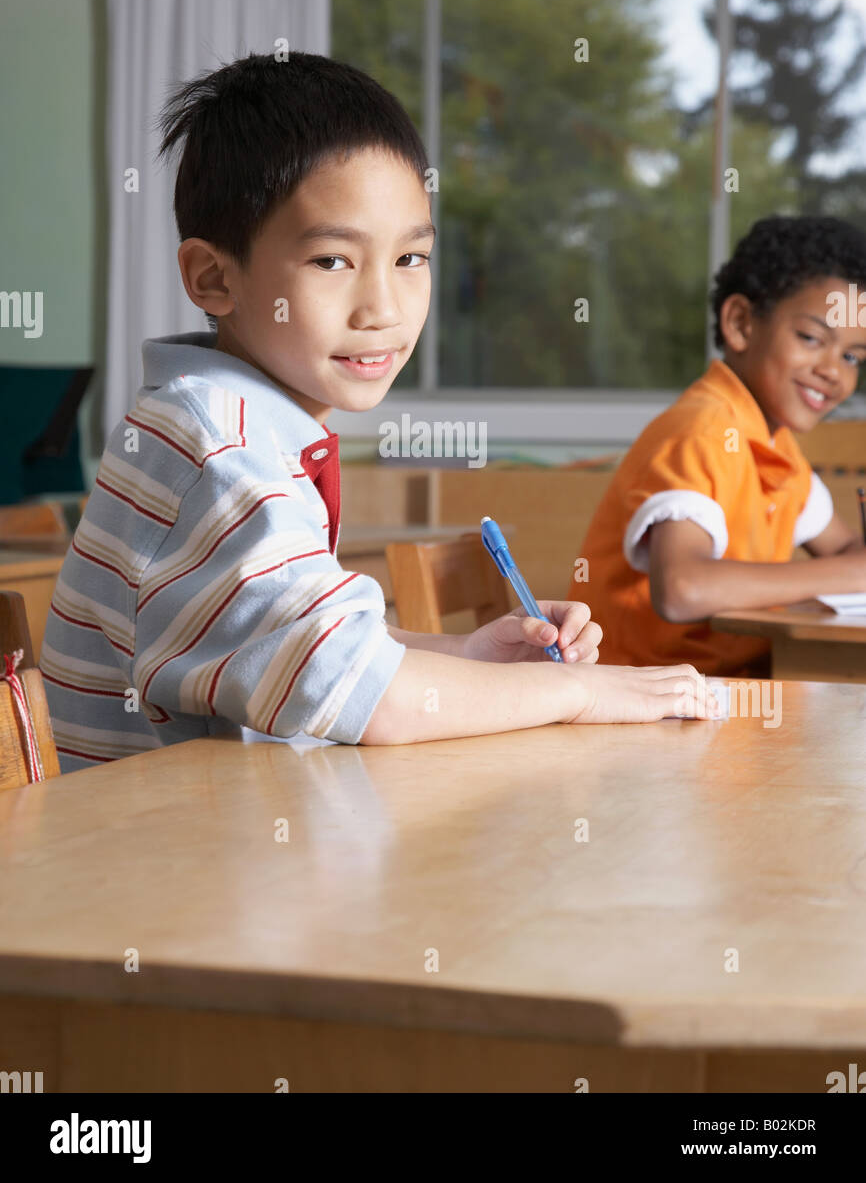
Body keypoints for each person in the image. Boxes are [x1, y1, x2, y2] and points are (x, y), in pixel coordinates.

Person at [41, 51, 716, 772]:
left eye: (410, 260)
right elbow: (368, 695)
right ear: (214, 277)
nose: (384, 310)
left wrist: (468, 656)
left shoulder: (228, 421)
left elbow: (296, 645)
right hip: (143, 866)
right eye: (333, 261)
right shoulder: (215, 442)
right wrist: (580, 692)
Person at [568, 215, 866, 674]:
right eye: (811, 338)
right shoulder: (704, 430)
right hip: (637, 706)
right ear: (741, 323)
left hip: (719, 696)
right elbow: (684, 588)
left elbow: (846, 549)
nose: (835, 371)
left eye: (852, 356)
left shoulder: (776, 448)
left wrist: (853, 567)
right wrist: (850, 575)